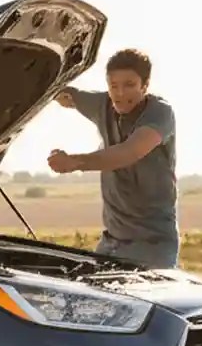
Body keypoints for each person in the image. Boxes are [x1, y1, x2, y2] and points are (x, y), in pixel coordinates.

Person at [47, 48, 180, 268]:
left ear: (145, 85)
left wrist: (75, 162)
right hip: (111, 243)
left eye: (129, 85)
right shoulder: (103, 105)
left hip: (151, 246)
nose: (119, 93)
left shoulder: (159, 113)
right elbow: (66, 96)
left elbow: (130, 151)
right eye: (113, 86)